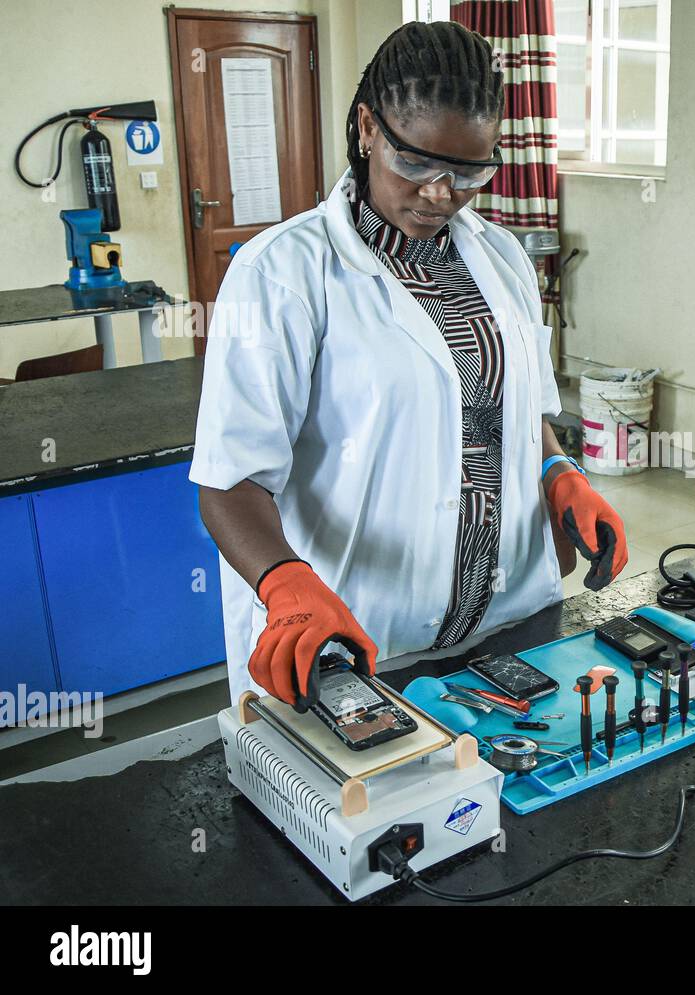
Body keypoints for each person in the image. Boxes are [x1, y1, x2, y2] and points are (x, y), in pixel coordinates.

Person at [191, 20, 628, 710]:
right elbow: (229, 482)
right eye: (417, 162)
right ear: (368, 127)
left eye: (470, 172)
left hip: (512, 627)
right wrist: (283, 582)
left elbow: (516, 406)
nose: (440, 193)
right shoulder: (281, 272)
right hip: (361, 645)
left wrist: (557, 470)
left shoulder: (503, 258)